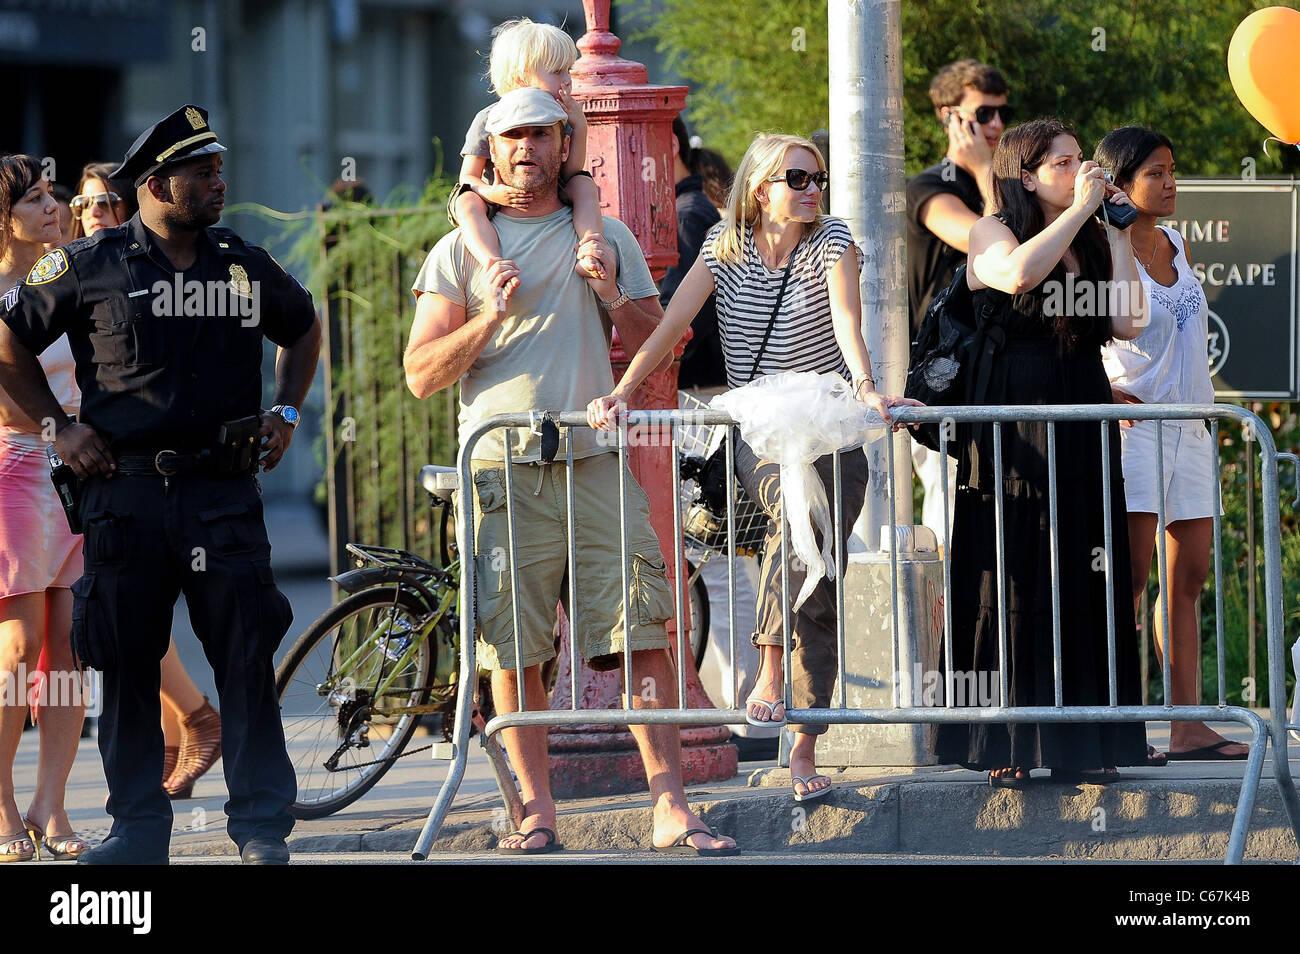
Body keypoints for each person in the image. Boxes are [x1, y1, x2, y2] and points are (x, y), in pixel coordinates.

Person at [404, 87, 737, 856]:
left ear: (564, 144)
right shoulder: (457, 250)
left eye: (540, 135)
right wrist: (488, 318)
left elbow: (661, 350)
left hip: (593, 464)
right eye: (511, 137)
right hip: (502, 474)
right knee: (511, 647)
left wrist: (613, 293)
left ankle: (669, 808)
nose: (526, 149)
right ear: (492, 150)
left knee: (645, 632)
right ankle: (536, 812)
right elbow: (421, 373)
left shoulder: (607, 231)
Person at [0, 105, 322, 865]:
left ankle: (260, 829)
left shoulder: (241, 263)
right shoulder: (88, 264)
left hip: (225, 493)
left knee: (244, 660)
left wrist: (285, 407)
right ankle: (138, 832)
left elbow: (304, 326)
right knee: (126, 662)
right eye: (202, 171)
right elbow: (8, 342)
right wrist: (59, 428)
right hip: (126, 493)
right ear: (154, 182)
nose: (219, 181)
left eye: (218, 168)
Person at [590, 132, 917, 802]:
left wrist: (868, 392)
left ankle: (802, 750)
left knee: (820, 587)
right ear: (761, 185)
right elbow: (671, 326)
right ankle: (769, 667)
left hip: (830, 421)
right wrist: (623, 391)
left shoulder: (834, 242)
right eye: (797, 177)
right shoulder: (723, 246)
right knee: (793, 522)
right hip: (761, 423)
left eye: (818, 177)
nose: (812, 190)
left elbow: (849, 326)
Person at [929, 118, 1150, 786]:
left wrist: (1116, 229)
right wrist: (1083, 208)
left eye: (1082, 160)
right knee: (1014, 561)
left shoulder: (1088, 234)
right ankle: (1009, 744)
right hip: (1016, 411)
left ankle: (1088, 741)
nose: (1081, 170)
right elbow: (1018, 277)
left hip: (1078, 402)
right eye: (1064, 162)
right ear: (1026, 175)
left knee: (1087, 561)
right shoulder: (995, 228)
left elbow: (1129, 318)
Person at [69, 159, 223, 796]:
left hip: (116, 468)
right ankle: (171, 740)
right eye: (82, 207)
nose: (92, 215)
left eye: (105, 203)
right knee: (106, 626)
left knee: (127, 616)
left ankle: (193, 720)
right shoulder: (71, 273)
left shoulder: (143, 269)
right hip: (65, 470)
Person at [1095, 126, 1247, 761]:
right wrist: (1103, 394)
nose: (1170, 182)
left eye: (1172, 170)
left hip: (1191, 428)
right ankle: (1115, 728)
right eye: (1155, 172)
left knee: (1186, 580)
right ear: (1120, 184)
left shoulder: (1179, 244)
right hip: (1136, 435)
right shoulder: (1103, 250)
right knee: (1126, 580)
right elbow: (1076, 338)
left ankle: (1186, 726)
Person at [0, 155, 88, 862]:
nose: (51, 205)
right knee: (18, 648)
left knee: (68, 646)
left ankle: (49, 805)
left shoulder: (71, 274)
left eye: (52, 193)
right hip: (10, 467)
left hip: (76, 471)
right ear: (4, 217)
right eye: (33, 198)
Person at [906, 59, 1010, 542]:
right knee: (950, 503)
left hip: (994, 368)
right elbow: (991, 244)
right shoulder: (930, 185)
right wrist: (986, 169)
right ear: (951, 116)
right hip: (941, 373)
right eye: (983, 113)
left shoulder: (1001, 186)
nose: (996, 125)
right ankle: (941, 615)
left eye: (1001, 114)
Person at [453, 17, 604, 296]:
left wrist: (580, 126)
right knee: (465, 202)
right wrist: (491, 193)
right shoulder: (488, 117)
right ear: (522, 78)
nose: (568, 80)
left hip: (547, 190)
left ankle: (591, 243)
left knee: (584, 184)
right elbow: (468, 177)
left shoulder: (563, 115)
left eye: (568, 71)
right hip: (494, 195)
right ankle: (492, 261)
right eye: (558, 72)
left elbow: (571, 171)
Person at [663, 117, 724, 390]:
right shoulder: (686, 209)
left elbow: (689, 316)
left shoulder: (686, 215)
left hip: (693, 382)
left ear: (672, 144)